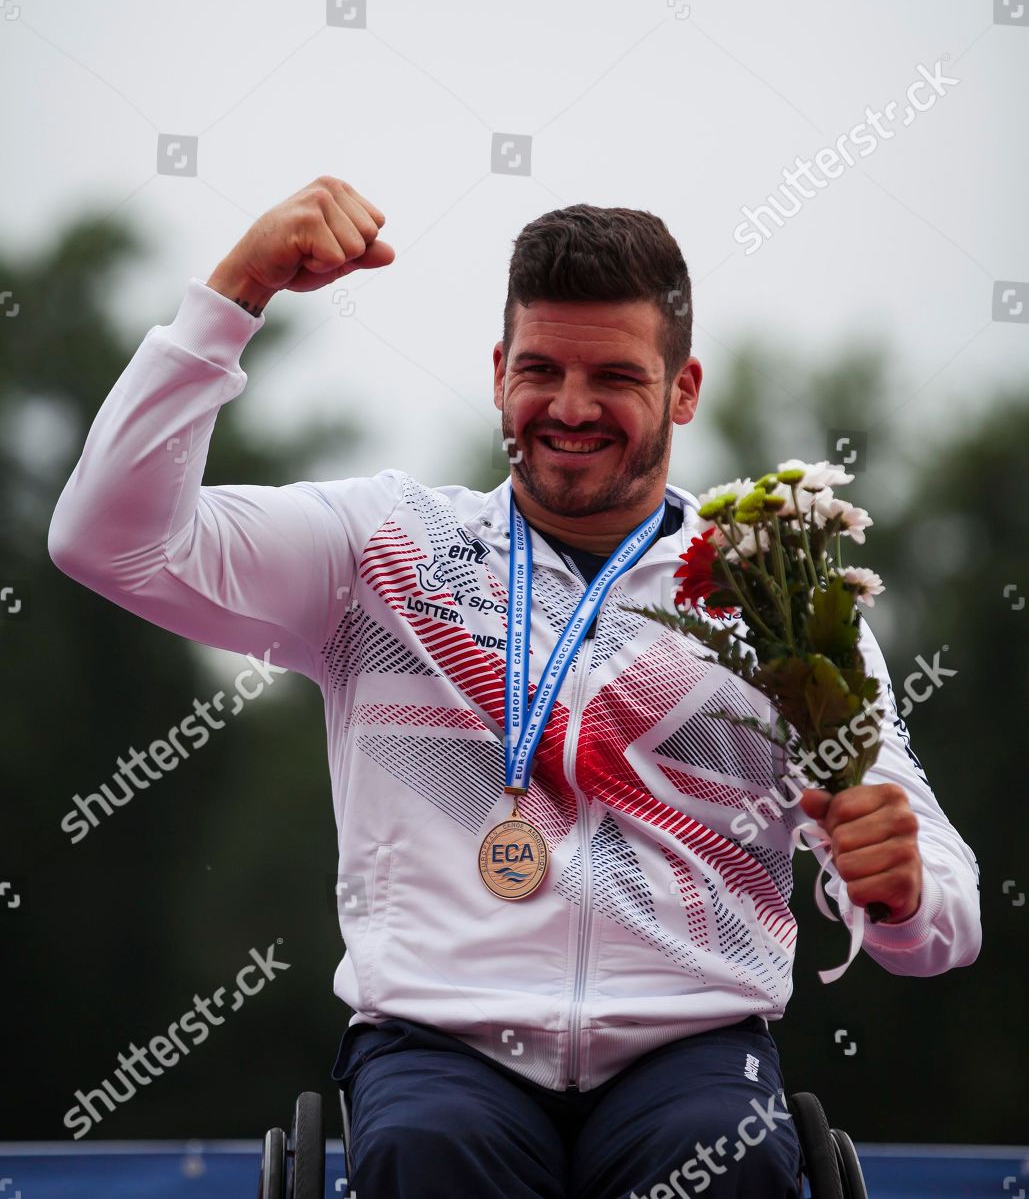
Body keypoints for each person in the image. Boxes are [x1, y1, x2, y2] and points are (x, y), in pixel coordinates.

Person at [48, 176, 981, 1198]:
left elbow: (940, 914)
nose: (570, 408)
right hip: (440, 1049)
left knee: (718, 1159)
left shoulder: (777, 595)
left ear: (683, 390)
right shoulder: (379, 548)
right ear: (499, 373)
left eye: (614, 376)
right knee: (430, 1150)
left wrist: (903, 893)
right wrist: (236, 292)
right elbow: (106, 541)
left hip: (694, 1052)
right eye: (540, 369)